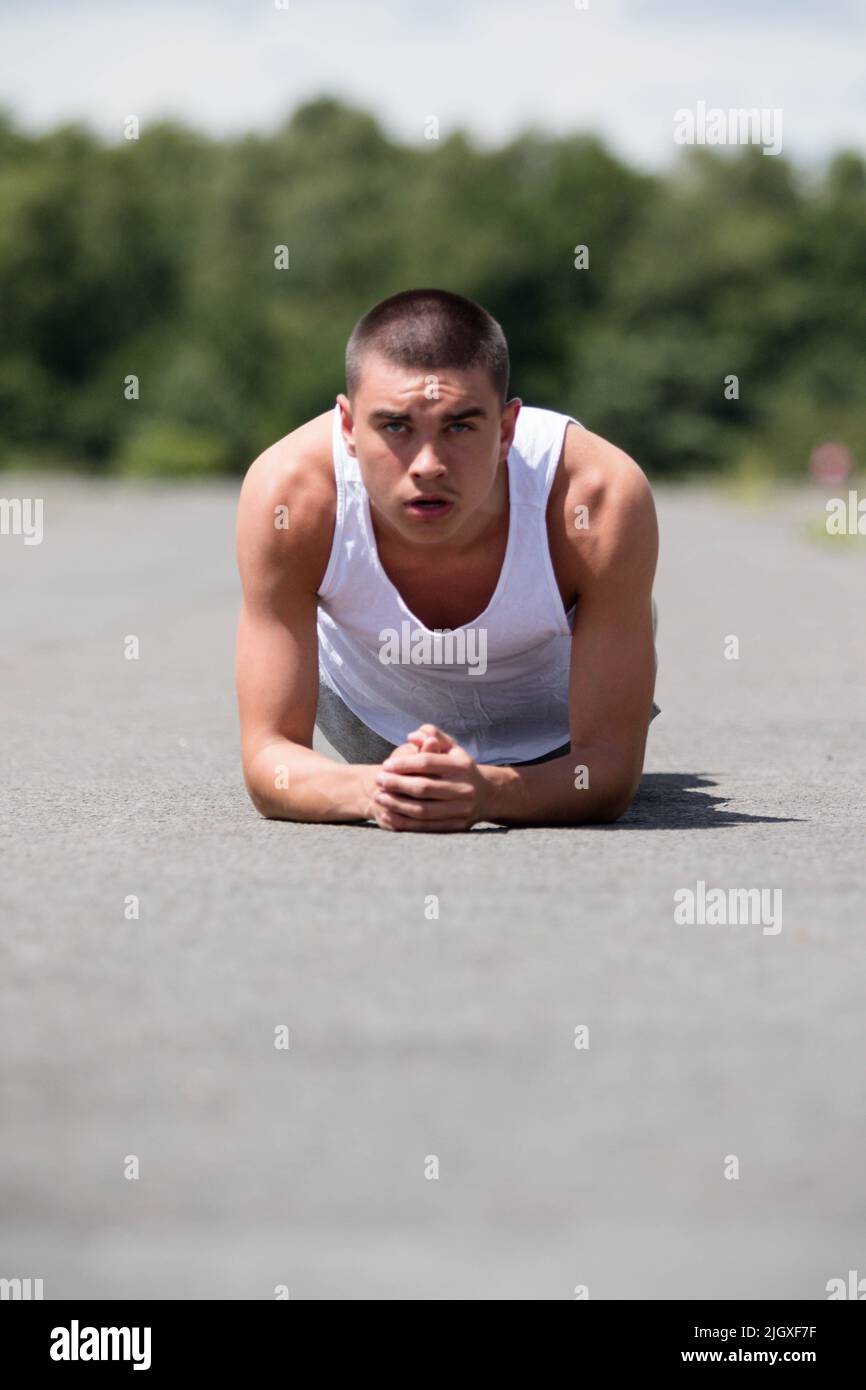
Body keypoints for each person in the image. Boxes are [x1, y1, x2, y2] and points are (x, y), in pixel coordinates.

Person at [235, 288, 660, 831]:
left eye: (460, 426)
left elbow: (608, 769)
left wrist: (489, 793)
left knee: (628, 594)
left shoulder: (596, 494)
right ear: (346, 426)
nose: (428, 465)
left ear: (506, 429)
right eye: (395, 427)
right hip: (378, 729)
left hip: (559, 739)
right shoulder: (290, 493)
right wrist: (378, 789)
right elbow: (269, 756)